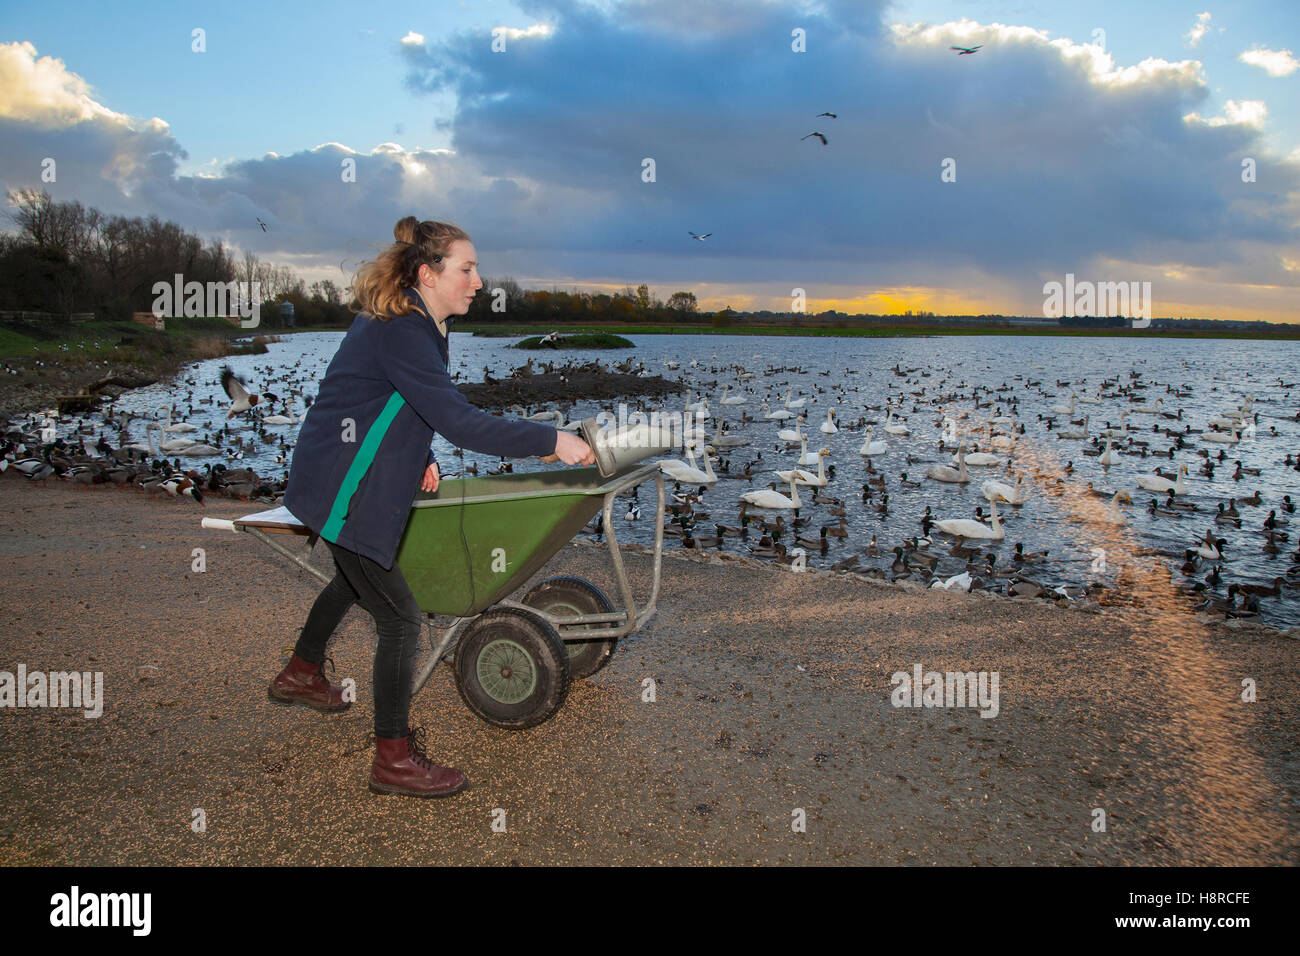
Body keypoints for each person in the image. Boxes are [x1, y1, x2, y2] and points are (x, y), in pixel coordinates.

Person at [272, 216, 595, 798]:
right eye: (466, 268)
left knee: (354, 577)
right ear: (428, 273)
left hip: (336, 474)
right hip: (343, 484)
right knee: (399, 618)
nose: (478, 281)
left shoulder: (422, 323)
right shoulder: (403, 328)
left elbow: (399, 402)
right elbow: (458, 420)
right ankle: (392, 760)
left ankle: (300, 673)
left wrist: (419, 452)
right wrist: (551, 439)